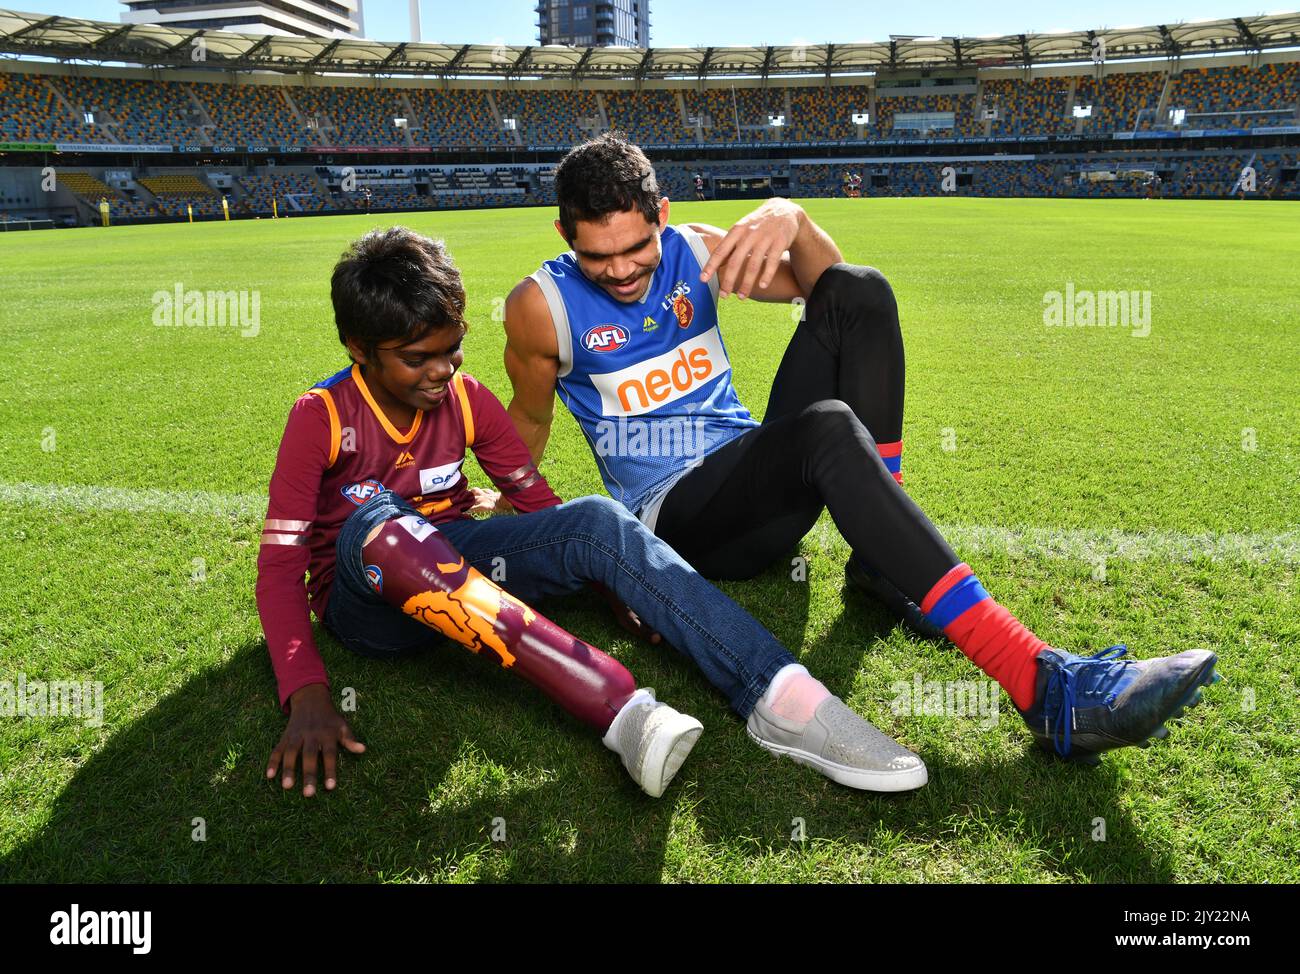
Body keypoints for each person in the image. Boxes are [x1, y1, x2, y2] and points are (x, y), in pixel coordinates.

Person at [499, 132, 1220, 766]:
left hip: (753, 475)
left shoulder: (693, 248)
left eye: (636, 247)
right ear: (564, 233)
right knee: (827, 427)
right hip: (677, 519)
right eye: (598, 256)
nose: (622, 270)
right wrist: (542, 536)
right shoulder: (543, 306)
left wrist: (793, 217)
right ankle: (1043, 685)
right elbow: (527, 423)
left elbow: (827, 291)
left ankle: (881, 570)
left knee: (861, 289)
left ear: (661, 214)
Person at [256, 225, 931, 801]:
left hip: (461, 567)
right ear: (358, 348)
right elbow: (281, 566)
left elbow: (539, 505)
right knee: (381, 522)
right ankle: (626, 714)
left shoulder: (466, 397)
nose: (442, 371)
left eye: (451, 348)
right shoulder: (320, 417)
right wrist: (306, 692)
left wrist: (615, 579)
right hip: (369, 603)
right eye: (416, 359)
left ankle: (780, 696)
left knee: (597, 518)